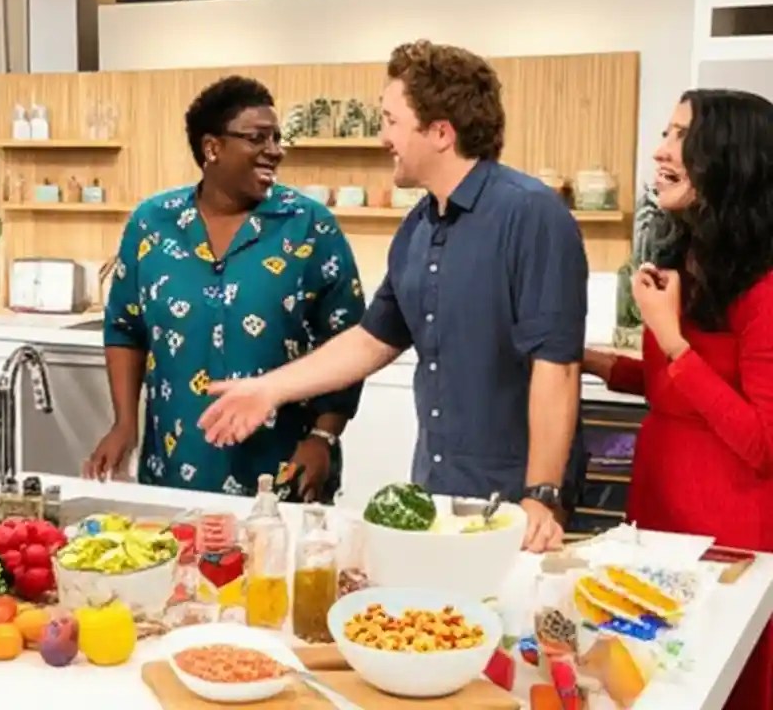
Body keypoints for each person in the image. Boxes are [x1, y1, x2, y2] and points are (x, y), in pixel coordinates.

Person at [199, 40, 588, 552]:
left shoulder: (532, 215)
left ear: (441, 133)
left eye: (391, 120)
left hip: (517, 500)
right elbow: (370, 340)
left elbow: (557, 367)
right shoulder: (419, 226)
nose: (383, 137)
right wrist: (268, 389)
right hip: (438, 488)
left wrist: (541, 494)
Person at [85, 75, 366, 501]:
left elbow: (348, 339)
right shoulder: (151, 224)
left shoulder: (309, 225)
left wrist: (324, 437)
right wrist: (125, 423)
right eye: (258, 138)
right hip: (175, 470)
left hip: (285, 469)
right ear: (211, 148)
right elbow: (125, 327)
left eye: (276, 137)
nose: (275, 150)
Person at [583, 89, 773, 710]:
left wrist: (668, 334)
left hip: (730, 535)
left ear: (729, 157)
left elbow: (761, 442)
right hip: (662, 515)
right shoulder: (696, 259)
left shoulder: (767, 287)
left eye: (679, 135)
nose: (660, 151)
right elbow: (677, 392)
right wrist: (585, 359)